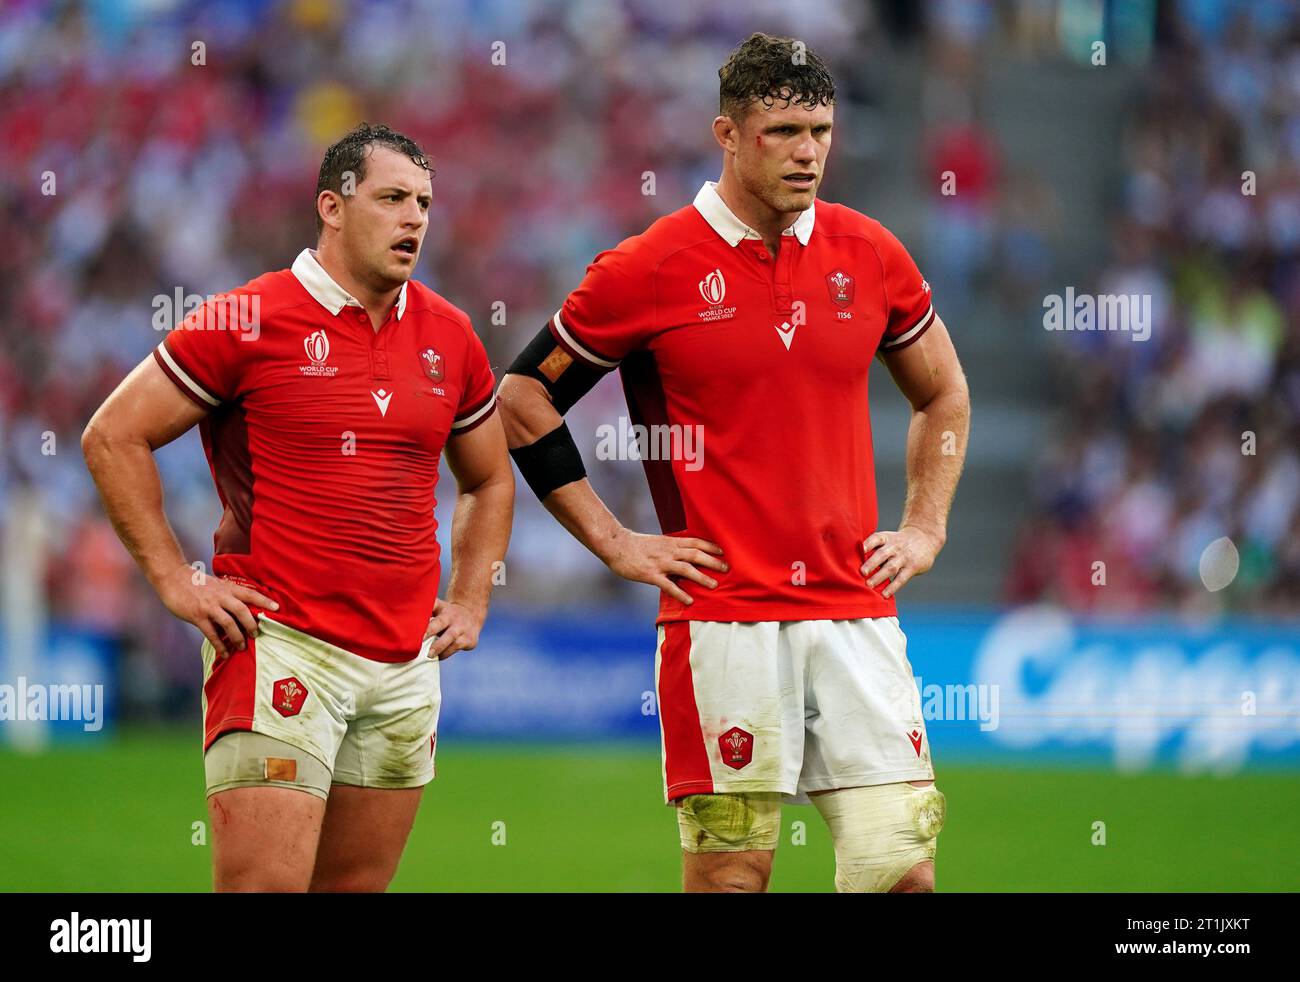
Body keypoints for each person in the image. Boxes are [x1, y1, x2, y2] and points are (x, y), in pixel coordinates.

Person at [497, 34, 970, 893]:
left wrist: (926, 525)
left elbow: (944, 393)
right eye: (783, 131)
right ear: (727, 133)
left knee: (903, 875)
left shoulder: (871, 254)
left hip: (856, 616)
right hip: (723, 621)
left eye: (821, 131)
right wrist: (616, 543)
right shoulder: (650, 266)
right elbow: (523, 398)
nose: (808, 151)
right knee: (732, 879)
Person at [82, 123, 513, 892]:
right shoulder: (243, 317)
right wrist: (177, 580)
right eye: (391, 199)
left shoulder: (451, 334)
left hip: (405, 664)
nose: (414, 218)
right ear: (333, 206)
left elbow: (488, 478)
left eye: (423, 202)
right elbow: (113, 435)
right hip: (282, 644)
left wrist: (473, 594)